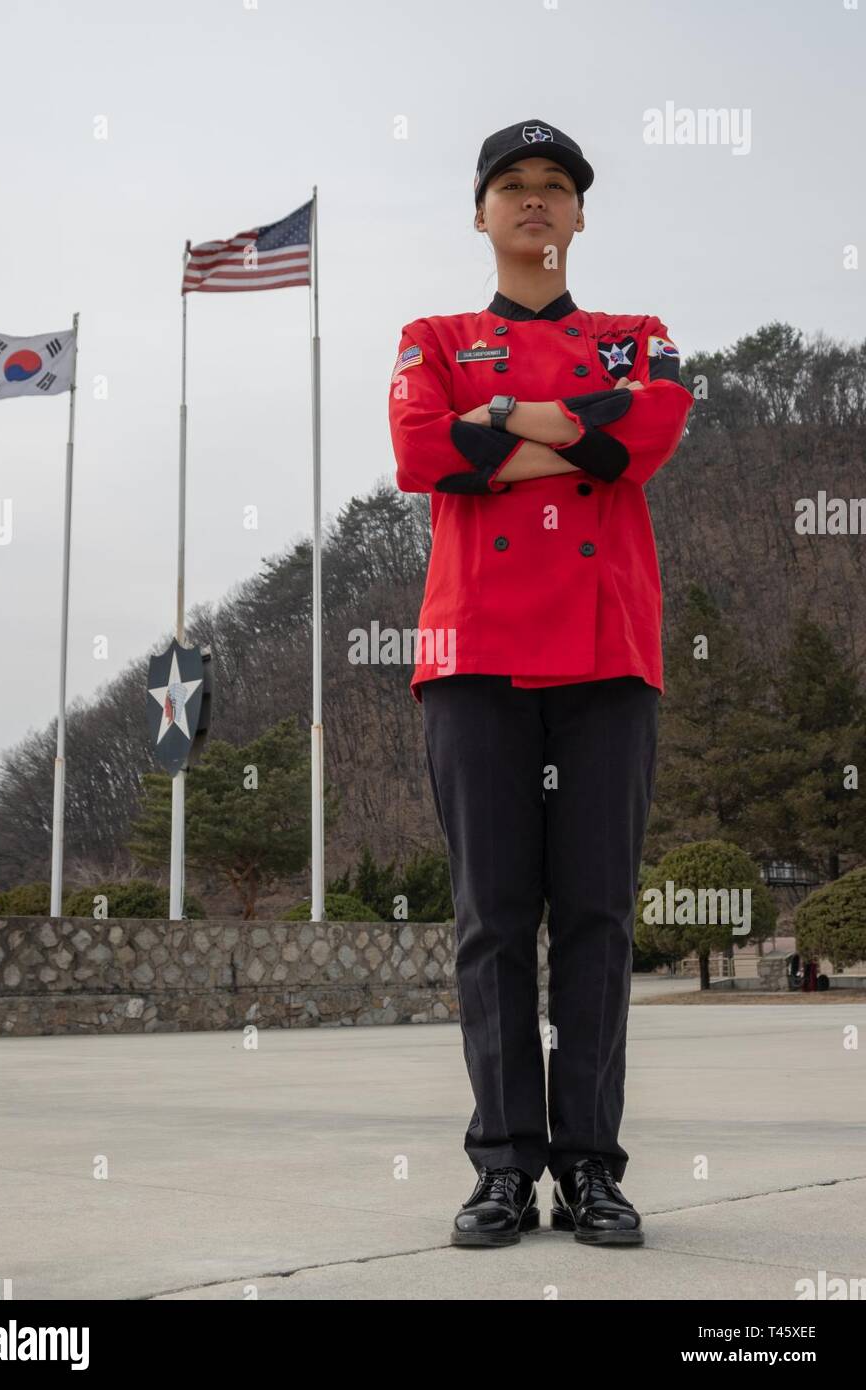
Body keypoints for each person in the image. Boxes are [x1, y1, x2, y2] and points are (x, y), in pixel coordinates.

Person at [388, 119, 694, 1249]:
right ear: (481, 213)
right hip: (471, 654)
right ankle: (505, 1168)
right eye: (510, 186)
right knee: (493, 921)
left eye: (553, 187)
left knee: (601, 920)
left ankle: (593, 1167)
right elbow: (422, 450)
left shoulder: (632, 336)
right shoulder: (432, 334)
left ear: (577, 214)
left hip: (609, 653)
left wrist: (499, 421)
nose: (532, 201)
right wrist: (580, 441)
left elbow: (651, 425)